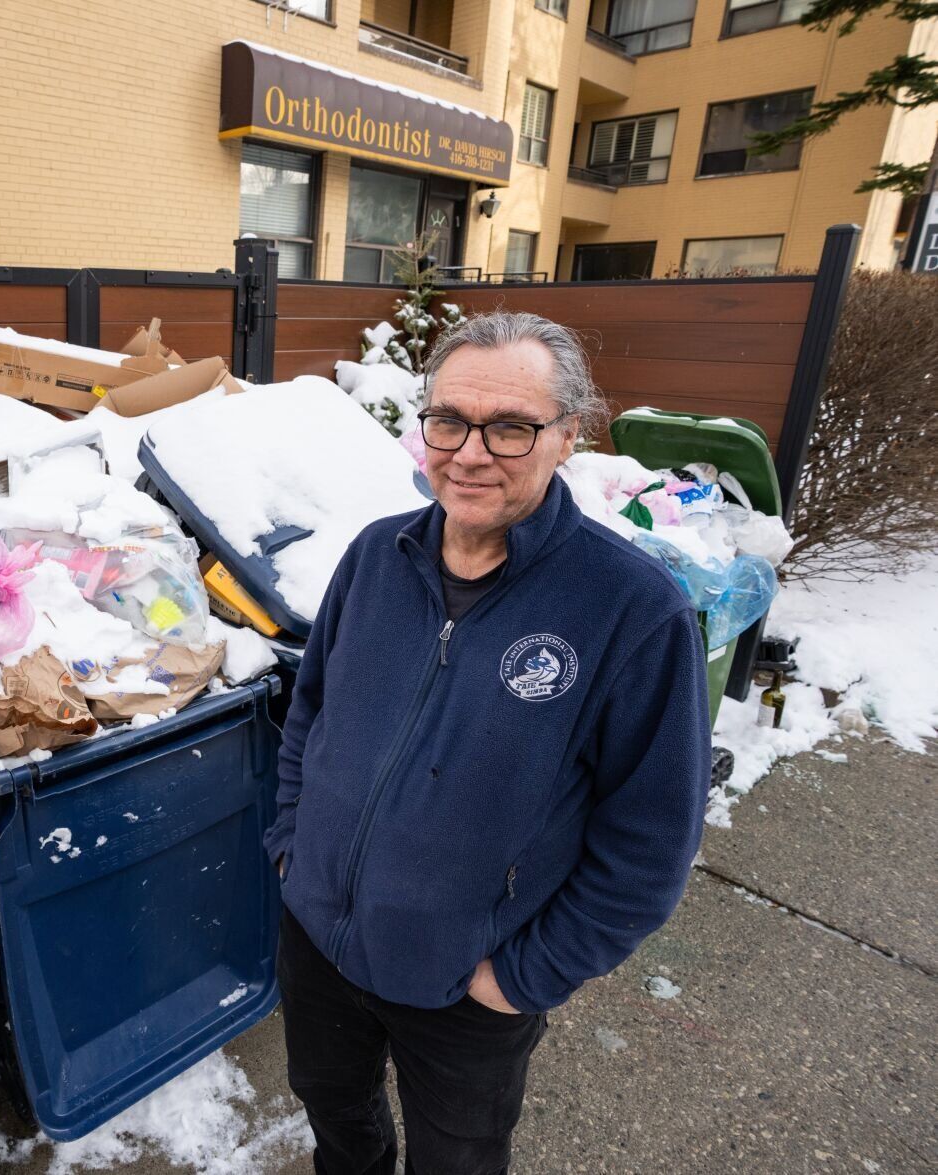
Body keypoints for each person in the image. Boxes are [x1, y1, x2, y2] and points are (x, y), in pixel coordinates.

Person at [268, 312, 710, 1174]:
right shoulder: (375, 555)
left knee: (458, 1159)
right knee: (334, 1114)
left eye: (509, 427)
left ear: (567, 435)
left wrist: (521, 976)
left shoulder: (630, 608)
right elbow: (308, 714)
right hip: (317, 935)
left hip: (465, 984)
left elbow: (650, 842)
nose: (469, 454)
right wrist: (293, 849)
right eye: (448, 421)